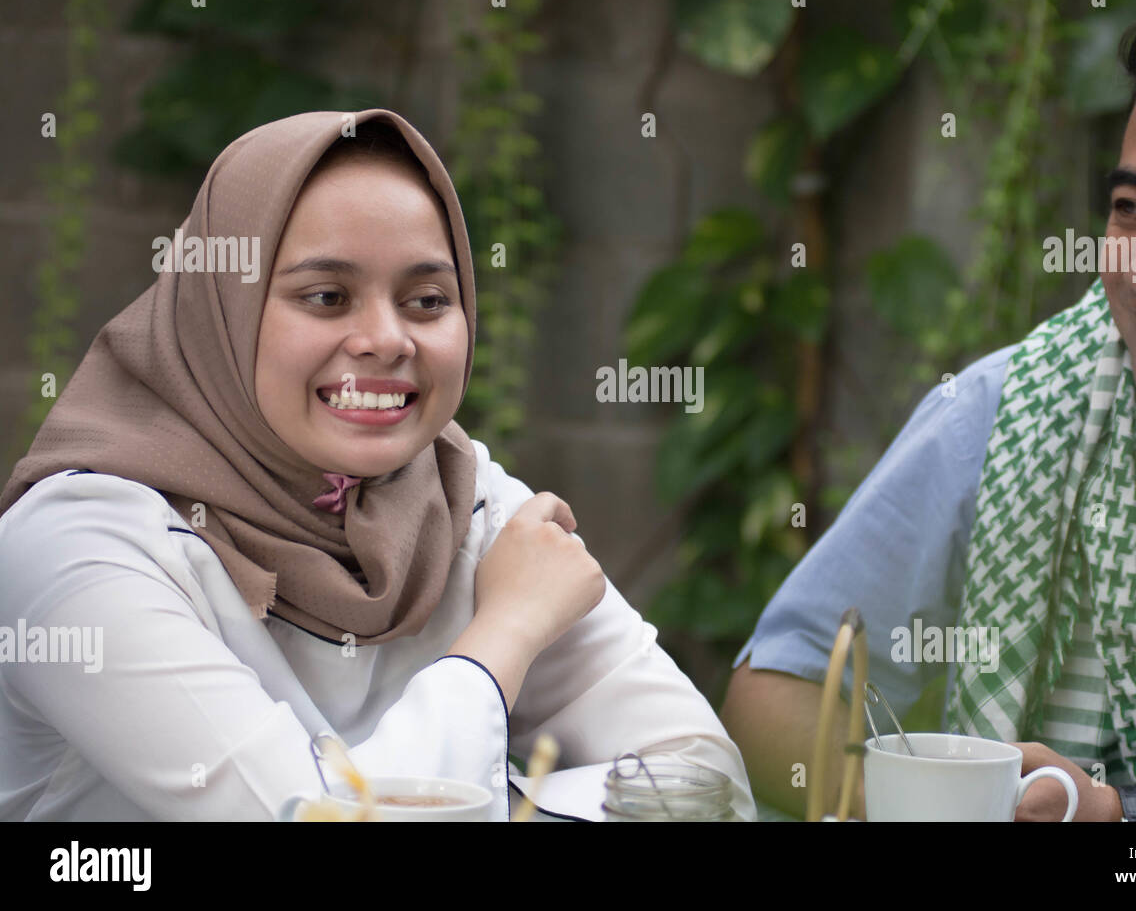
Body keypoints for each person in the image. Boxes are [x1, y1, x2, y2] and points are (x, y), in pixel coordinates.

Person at [0, 109, 754, 821]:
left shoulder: (467, 500)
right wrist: (507, 633)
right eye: (326, 296)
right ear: (220, 314)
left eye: (427, 300)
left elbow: (700, 779)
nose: (387, 339)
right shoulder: (81, 549)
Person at [722, 0, 1136, 822]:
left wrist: (1124, 816)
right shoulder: (1012, 414)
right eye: (1131, 209)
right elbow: (782, 686)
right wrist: (942, 806)